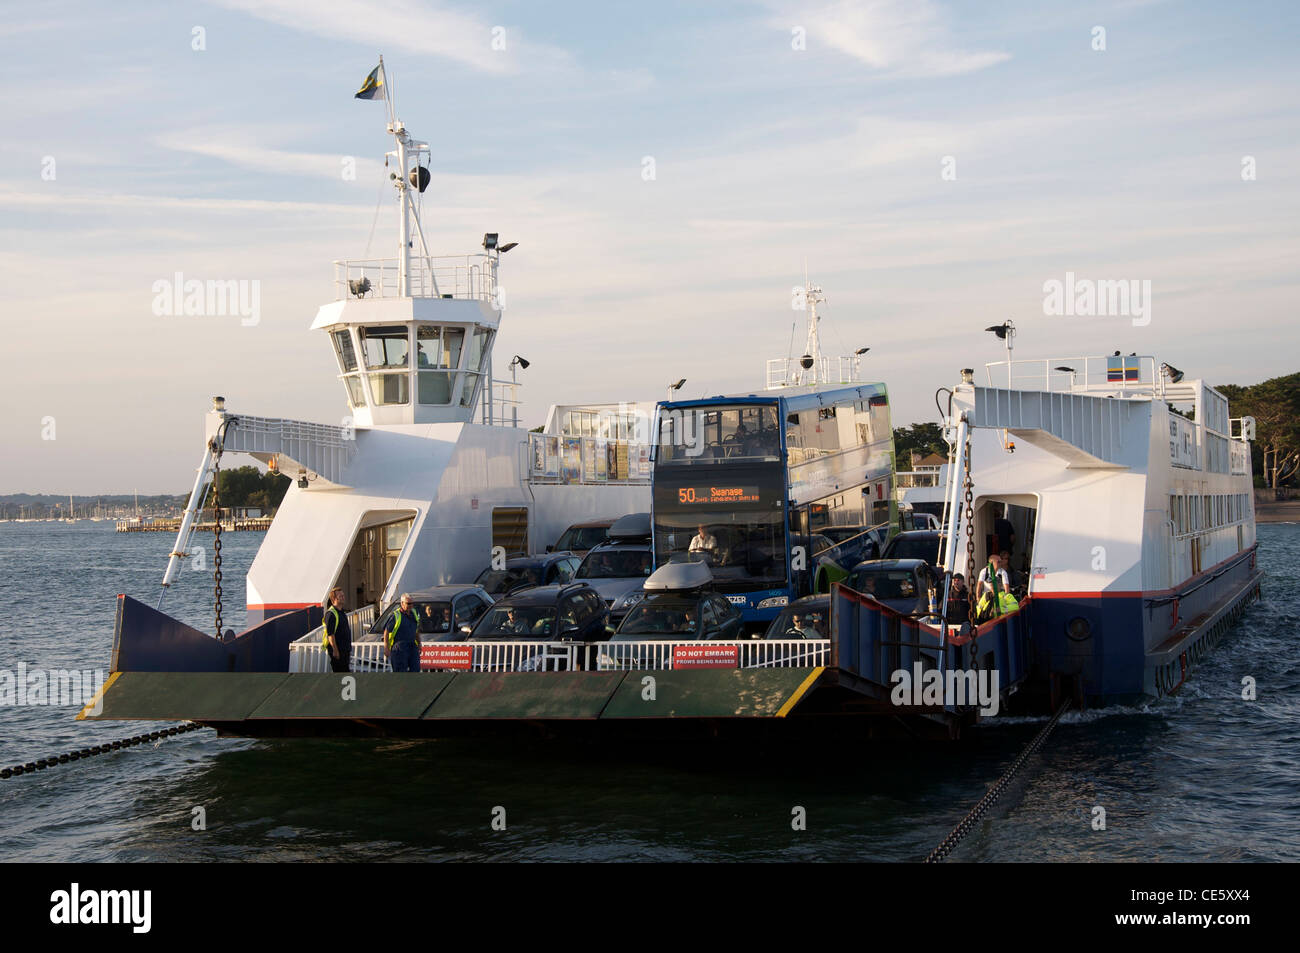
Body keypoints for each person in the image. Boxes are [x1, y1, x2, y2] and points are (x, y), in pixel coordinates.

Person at [384, 593, 422, 672]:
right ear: (402, 603)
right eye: (408, 604)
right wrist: (386, 647)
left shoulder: (414, 614)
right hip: (400, 647)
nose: (410, 606)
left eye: (412, 603)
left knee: (415, 670)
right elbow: (386, 632)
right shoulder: (396, 615)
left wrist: (419, 643)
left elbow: (416, 630)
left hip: (412, 645)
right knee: (400, 672)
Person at [322, 587, 351, 673]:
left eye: (343, 595)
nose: (343, 597)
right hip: (338, 651)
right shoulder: (331, 614)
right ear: (334, 599)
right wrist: (335, 650)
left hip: (345, 651)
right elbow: (330, 634)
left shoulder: (341, 612)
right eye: (340, 596)